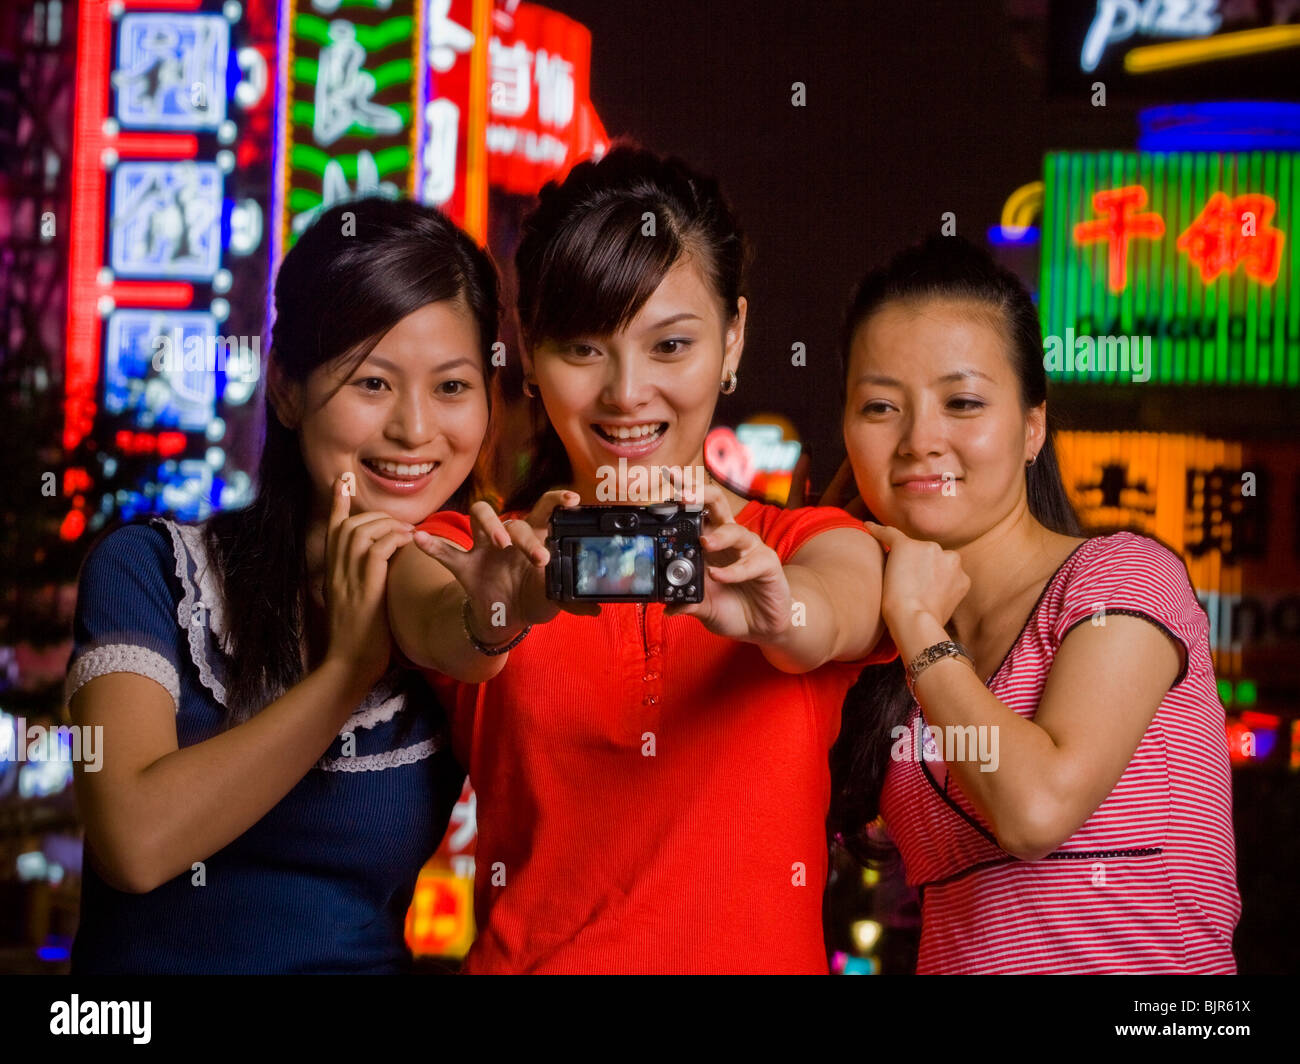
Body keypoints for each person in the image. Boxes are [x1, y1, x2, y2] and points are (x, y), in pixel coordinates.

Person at [387, 145, 891, 973]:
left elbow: (833, 611)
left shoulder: (811, 542)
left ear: (733, 340)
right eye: (583, 349)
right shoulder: (463, 548)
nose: (625, 392)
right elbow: (440, 618)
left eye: (670, 346)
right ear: (530, 350)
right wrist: (503, 605)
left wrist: (770, 610)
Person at [65, 198, 499, 973]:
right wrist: (344, 675)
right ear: (288, 389)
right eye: (372, 382)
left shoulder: (458, 603)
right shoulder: (149, 571)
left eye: (453, 387)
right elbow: (135, 840)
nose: (414, 429)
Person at [828, 235, 1240, 973]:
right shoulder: (880, 653)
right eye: (882, 406)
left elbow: (1035, 810)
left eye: (962, 402)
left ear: (1032, 426)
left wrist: (918, 623)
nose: (921, 440)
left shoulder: (1121, 580)